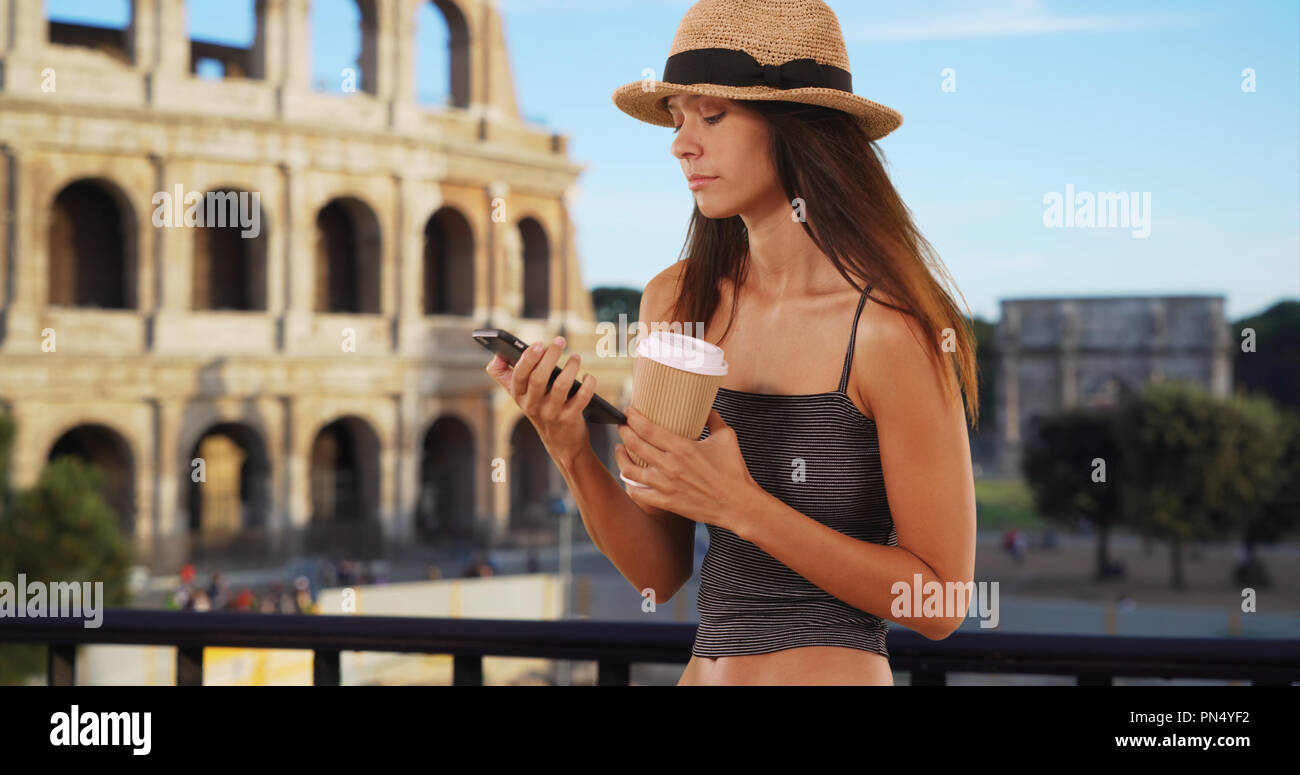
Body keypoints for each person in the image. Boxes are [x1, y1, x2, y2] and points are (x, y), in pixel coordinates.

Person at [486, 0, 977, 685]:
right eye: (678, 118)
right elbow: (661, 572)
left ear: (801, 131)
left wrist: (740, 505)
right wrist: (567, 442)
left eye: (711, 116)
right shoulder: (676, 302)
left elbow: (943, 601)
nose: (681, 143)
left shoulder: (891, 331)